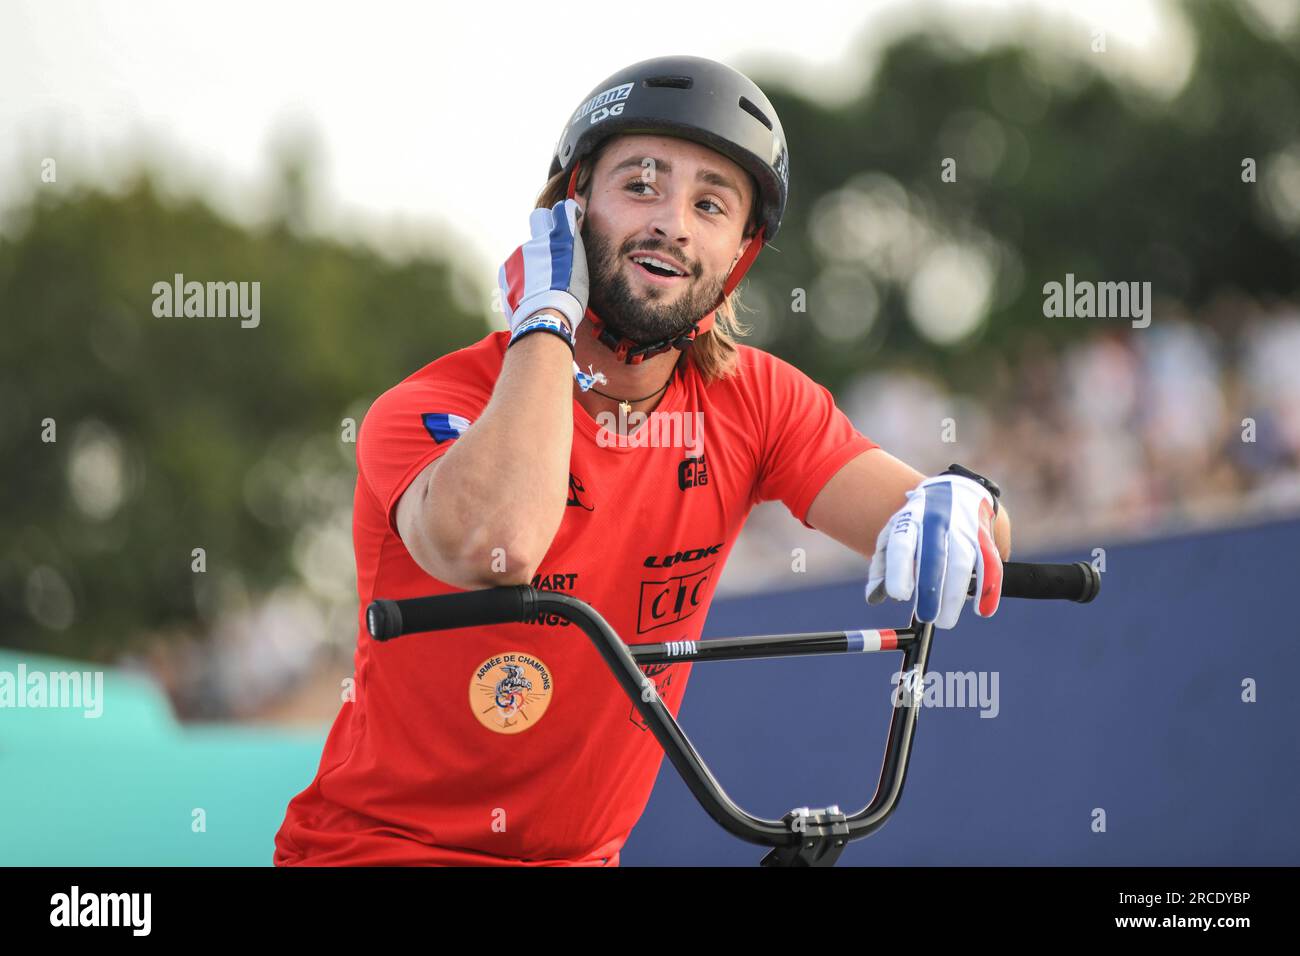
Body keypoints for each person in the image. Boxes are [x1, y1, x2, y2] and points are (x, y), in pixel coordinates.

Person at [273, 55, 1012, 867]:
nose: (674, 224)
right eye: (641, 185)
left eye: (710, 205)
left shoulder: (758, 402)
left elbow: (969, 537)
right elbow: (499, 542)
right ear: (570, 209)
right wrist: (547, 318)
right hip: (378, 852)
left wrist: (967, 503)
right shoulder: (427, 406)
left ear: (741, 253)